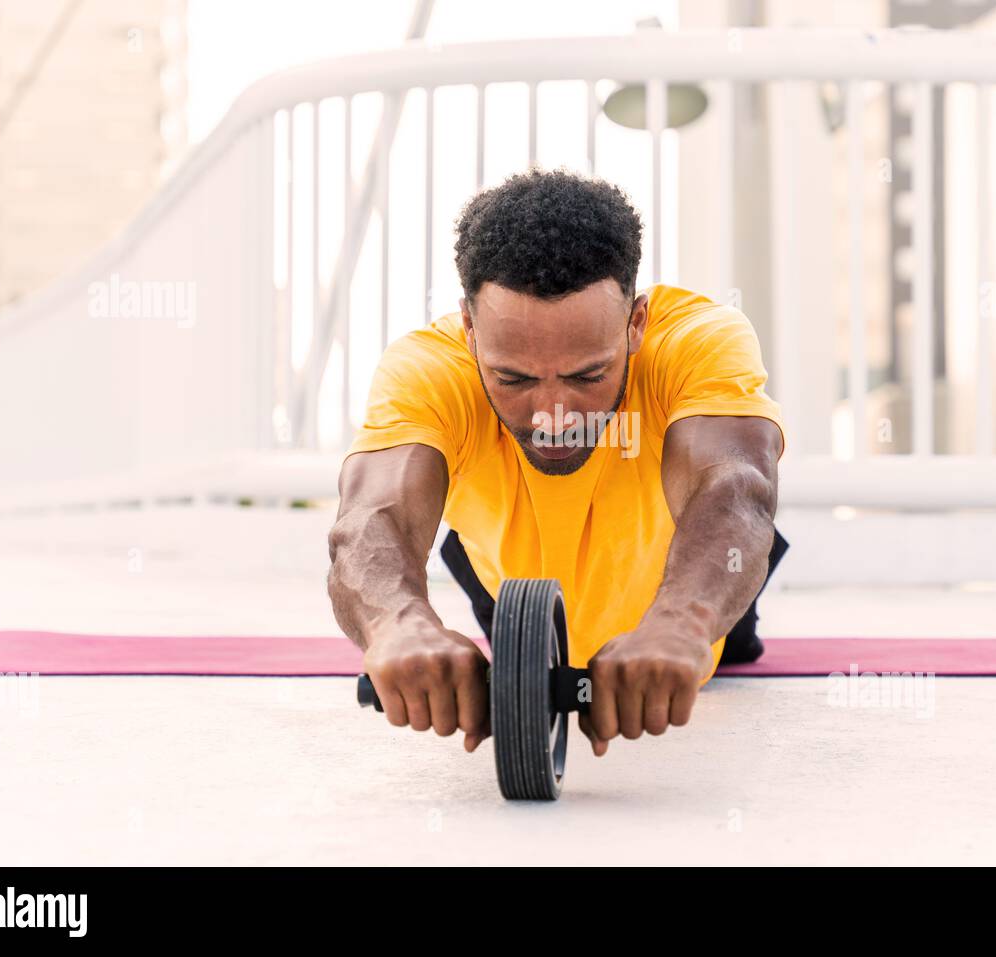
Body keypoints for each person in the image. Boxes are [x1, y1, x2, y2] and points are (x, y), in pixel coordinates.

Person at [328, 168, 787, 757]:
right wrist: (396, 626)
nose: (553, 414)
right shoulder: (426, 369)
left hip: (678, 577)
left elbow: (734, 486)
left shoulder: (698, 341)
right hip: (512, 583)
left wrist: (685, 623)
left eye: (588, 375)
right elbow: (371, 517)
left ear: (636, 324)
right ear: (469, 331)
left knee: (735, 570)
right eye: (514, 378)